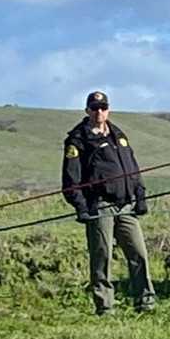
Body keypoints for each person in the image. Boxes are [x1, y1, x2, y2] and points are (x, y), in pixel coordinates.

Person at [62, 90, 156, 315]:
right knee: (102, 257)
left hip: (126, 204)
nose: (99, 112)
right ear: (87, 111)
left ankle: (145, 302)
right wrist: (81, 207)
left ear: (108, 110)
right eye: (94, 108)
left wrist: (140, 195)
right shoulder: (78, 140)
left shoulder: (118, 134)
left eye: (103, 108)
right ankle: (105, 306)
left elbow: (132, 168)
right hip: (100, 205)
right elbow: (70, 179)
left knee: (138, 253)